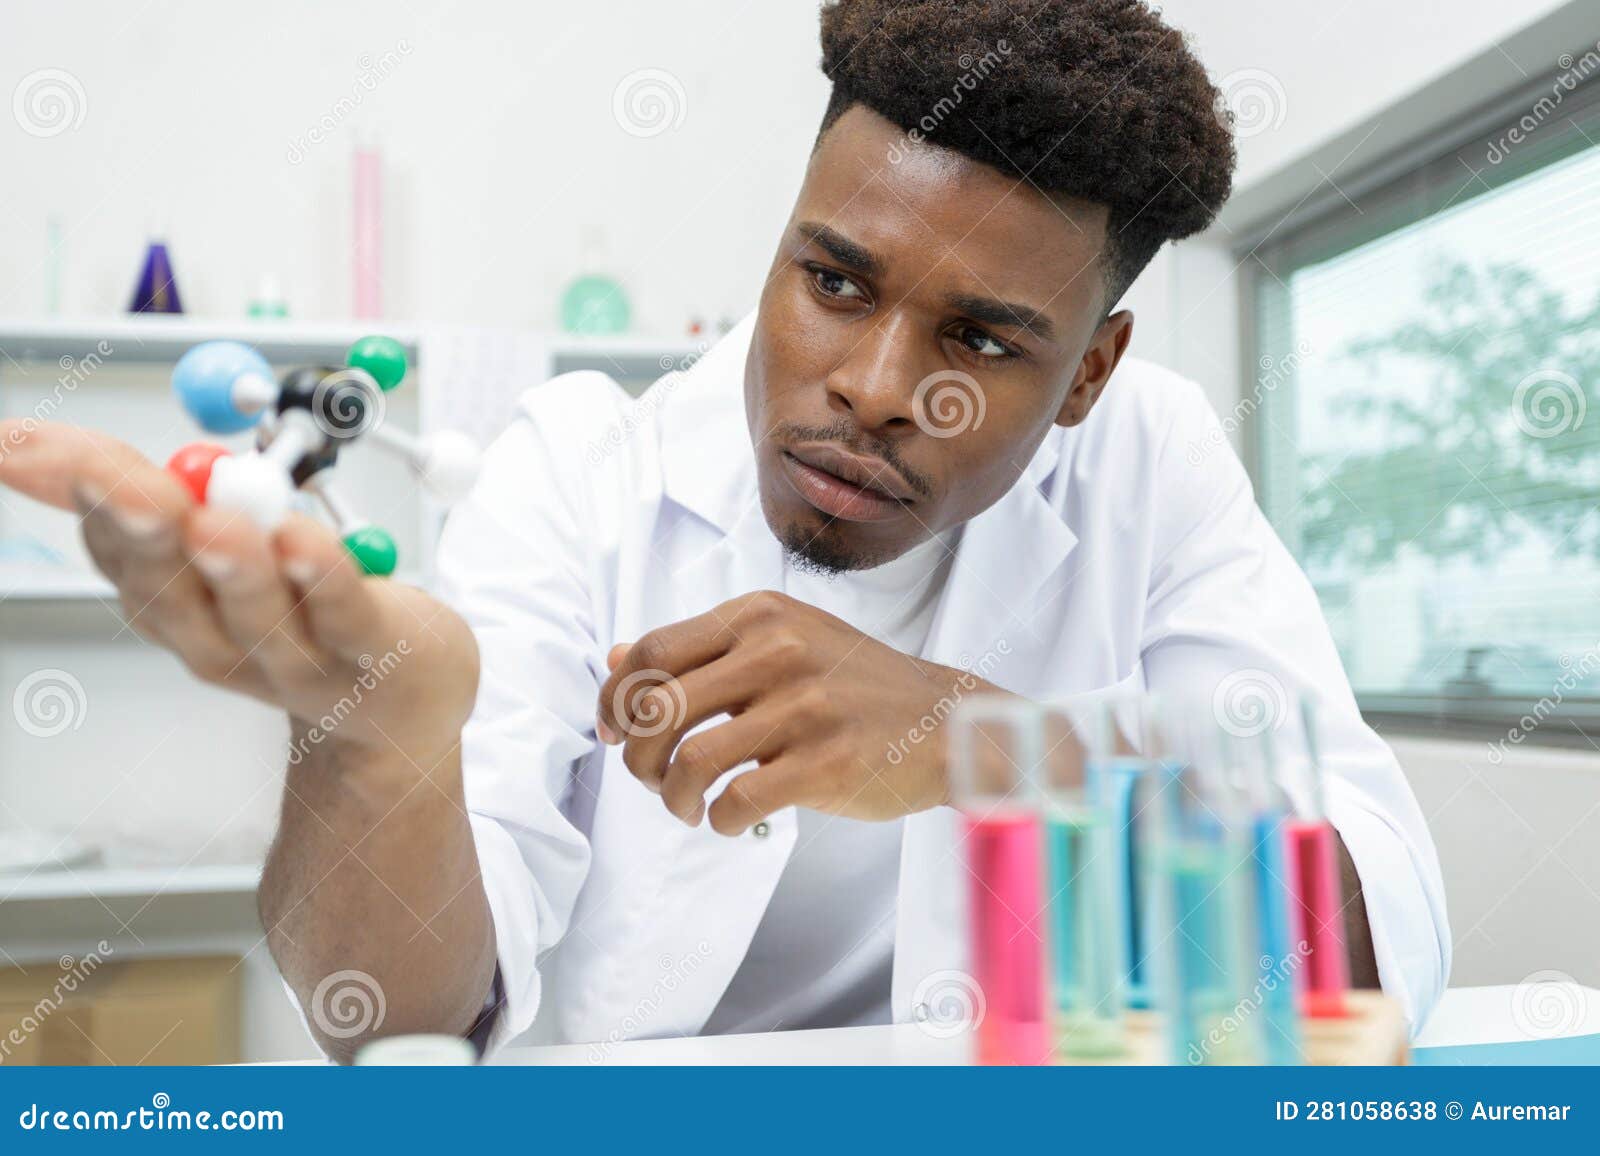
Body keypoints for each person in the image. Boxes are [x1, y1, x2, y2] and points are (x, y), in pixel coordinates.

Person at [0, 0, 1448, 1061]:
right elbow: (391, 1021)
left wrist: (980, 748)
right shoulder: (578, 470)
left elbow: (1373, 945)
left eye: (983, 341)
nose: (875, 389)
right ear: (780, 250)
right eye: (836, 283)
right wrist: (373, 747)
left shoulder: (1155, 464)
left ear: (1089, 374)